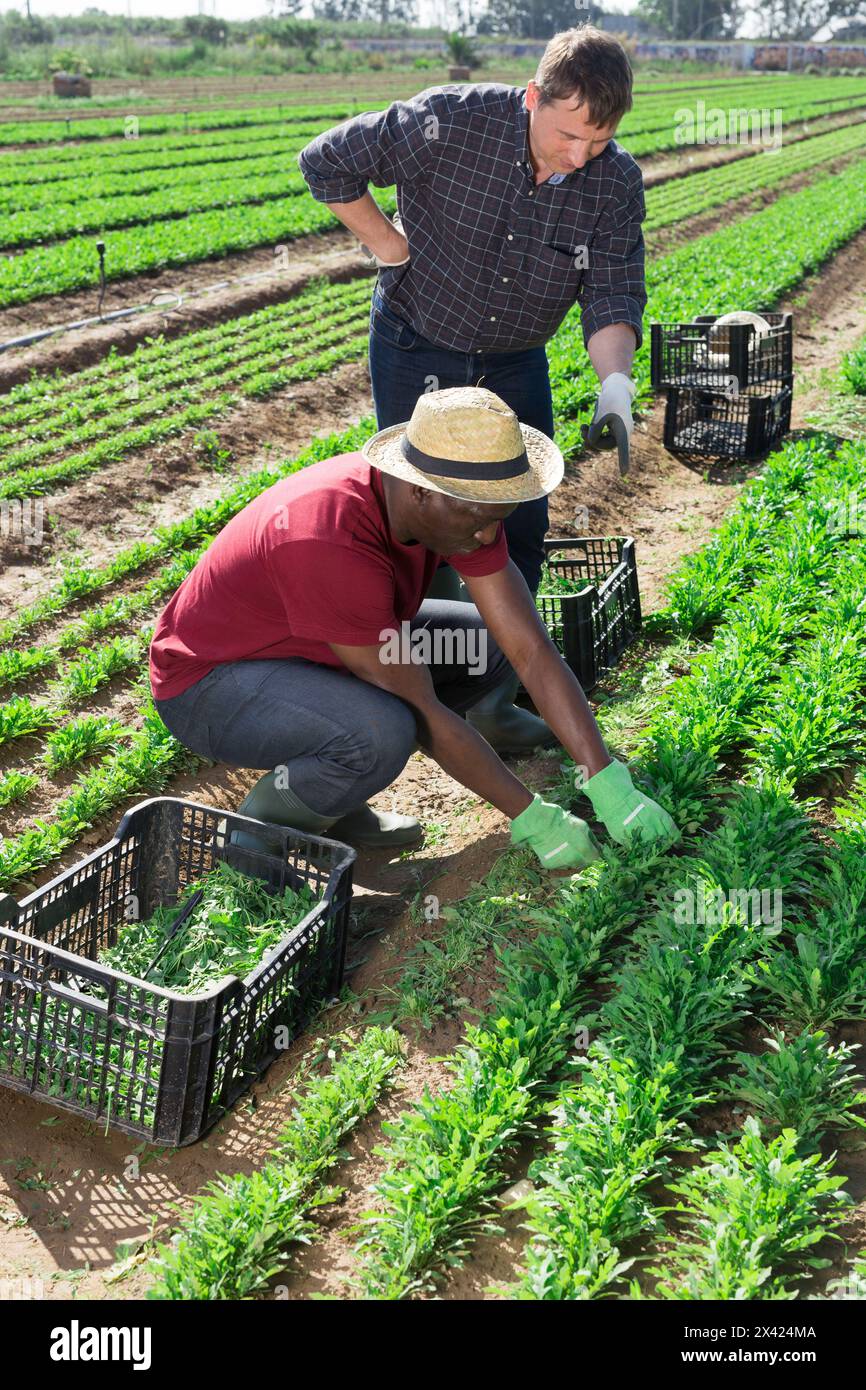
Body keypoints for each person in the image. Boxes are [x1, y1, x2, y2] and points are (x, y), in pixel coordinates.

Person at [297, 23, 644, 754]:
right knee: (421, 523)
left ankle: (489, 699)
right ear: (533, 98)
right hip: (417, 342)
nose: (579, 158)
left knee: (517, 526)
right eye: (567, 136)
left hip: (515, 362)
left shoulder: (614, 185)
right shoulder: (448, 122)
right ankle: (412, 703)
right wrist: (388, 245)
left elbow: (611, 293)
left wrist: (615, 382)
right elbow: (326, 162)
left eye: (599, 142)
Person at [149, 387, 678, 867]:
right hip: (213, 685)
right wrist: (532, 817)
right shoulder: (328, 536)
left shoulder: (466, 506)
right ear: (420, 492)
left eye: (500, 515)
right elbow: (420, 708)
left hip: (317, 648)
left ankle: (332, 801)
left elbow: (530, 648)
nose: (489, 532)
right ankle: (260, 833)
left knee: (484, 646)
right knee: (382, 730)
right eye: (477, 516)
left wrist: (609, 782)